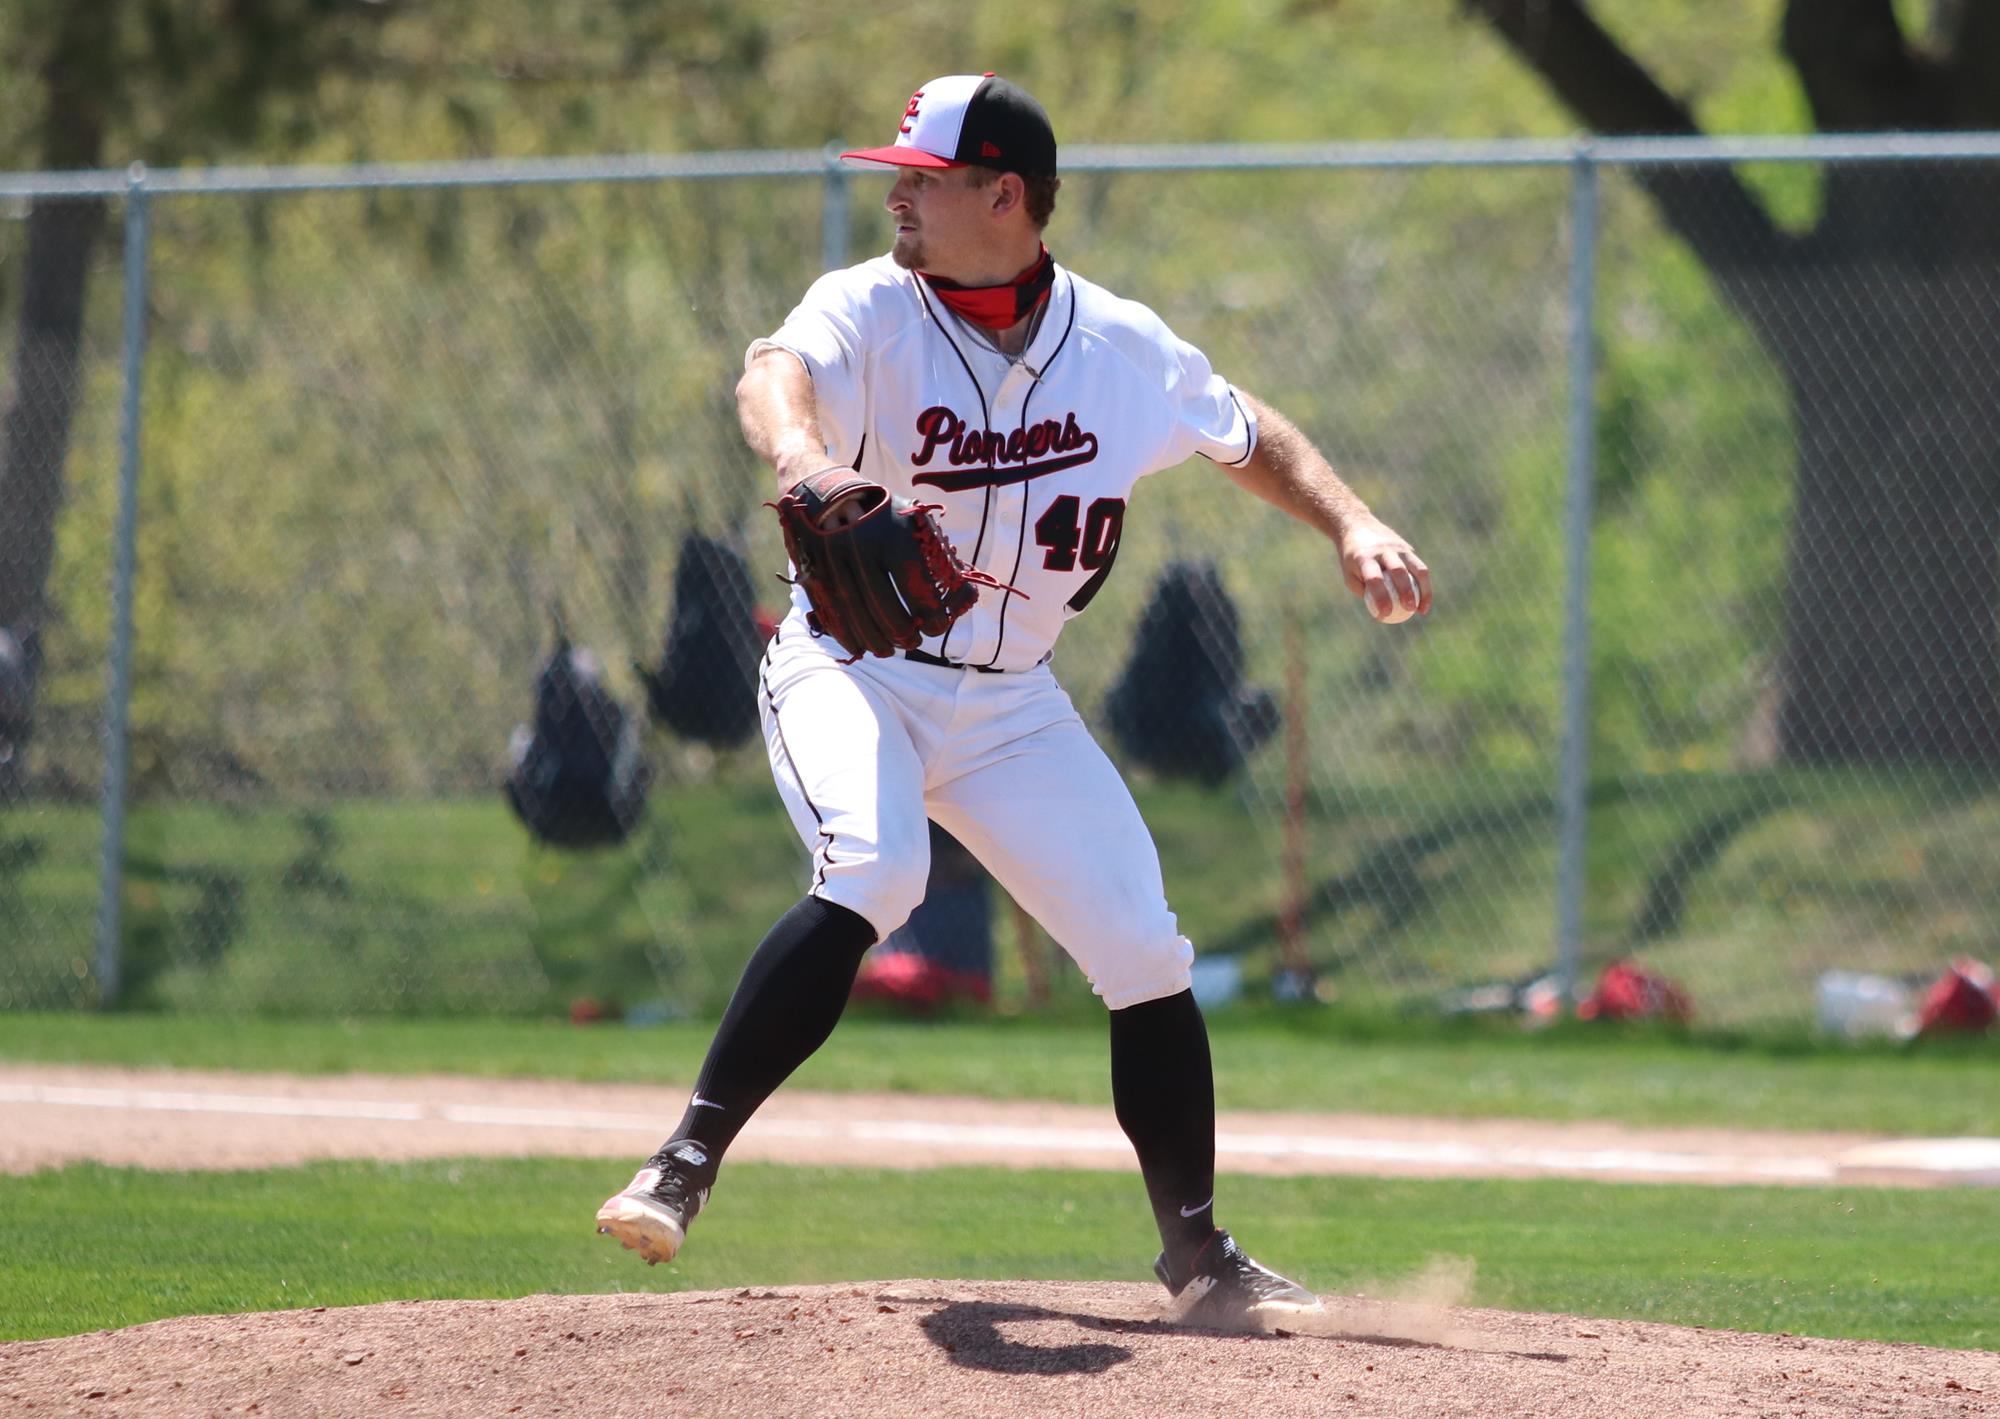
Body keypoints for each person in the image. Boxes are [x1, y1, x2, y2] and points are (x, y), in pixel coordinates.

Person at [598, 73, 1431, 1328]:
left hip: (1011, 706)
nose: (896, 196)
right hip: (849, 667)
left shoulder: (1118, 346)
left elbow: (1243, 429)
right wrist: (806, 460)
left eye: (921, 179)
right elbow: (772, 375)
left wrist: (1350, 522)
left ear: (1004, 194)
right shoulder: (868, 306)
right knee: (876, 872)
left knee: (1144, 951)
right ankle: (684, 1161)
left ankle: (1199, 1261)